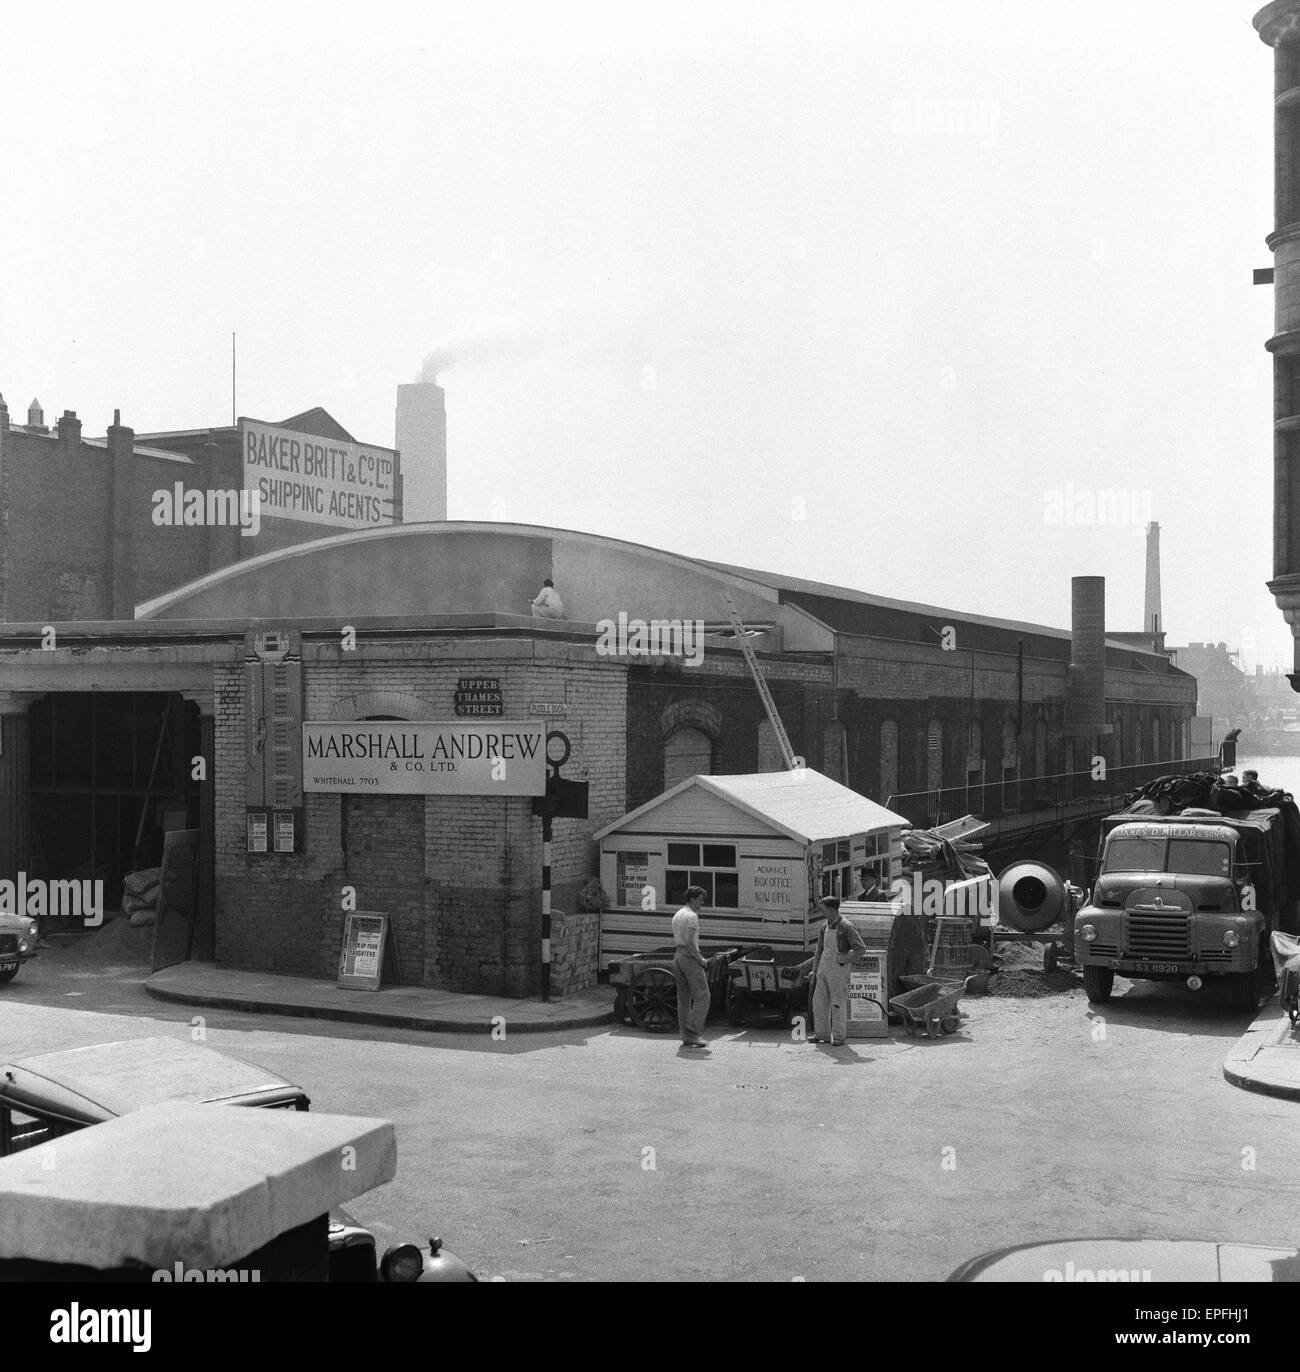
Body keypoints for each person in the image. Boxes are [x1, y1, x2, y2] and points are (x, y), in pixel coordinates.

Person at [792, 896, 867, 1046]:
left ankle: (839, 1036)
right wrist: (814, 969)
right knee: (818, 1002)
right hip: (823, 968)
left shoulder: (846, 927)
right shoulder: (823, 926)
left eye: (824, 910)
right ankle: (822, 1034)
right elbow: (819, 950)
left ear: (832, 910)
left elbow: (861, 948)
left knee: (838, 1003)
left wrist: (844, 958)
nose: (823, 913)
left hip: (838, 970)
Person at [670, 886, 710, 1048]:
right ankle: (693, 1032)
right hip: (689, 958)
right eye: (700, 900)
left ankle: (684, 1034)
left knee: (684, 998)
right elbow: (688, 941)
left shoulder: (678, 914)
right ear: (693, 898)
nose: (702, 904)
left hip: (678, 956)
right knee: (703, 996)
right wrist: (700, 959)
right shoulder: (692, 916)